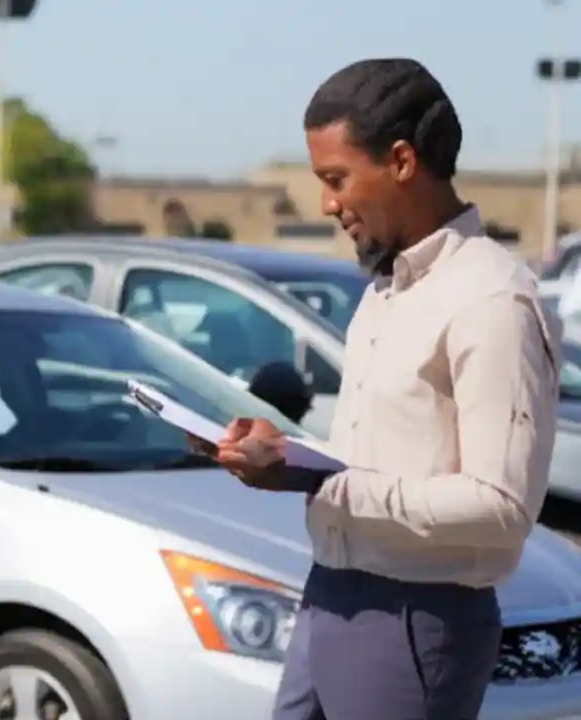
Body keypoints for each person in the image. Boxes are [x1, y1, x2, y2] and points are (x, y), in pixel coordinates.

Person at [215, 58, 560, 720]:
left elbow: (502, 505)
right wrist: (291, 455)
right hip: (329, 595)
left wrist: (318, 480)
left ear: (401, 160)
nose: (326, 204)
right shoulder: (387, 288)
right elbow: (383, 459)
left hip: (415, 618)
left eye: (336, 179)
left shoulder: (490, 299)